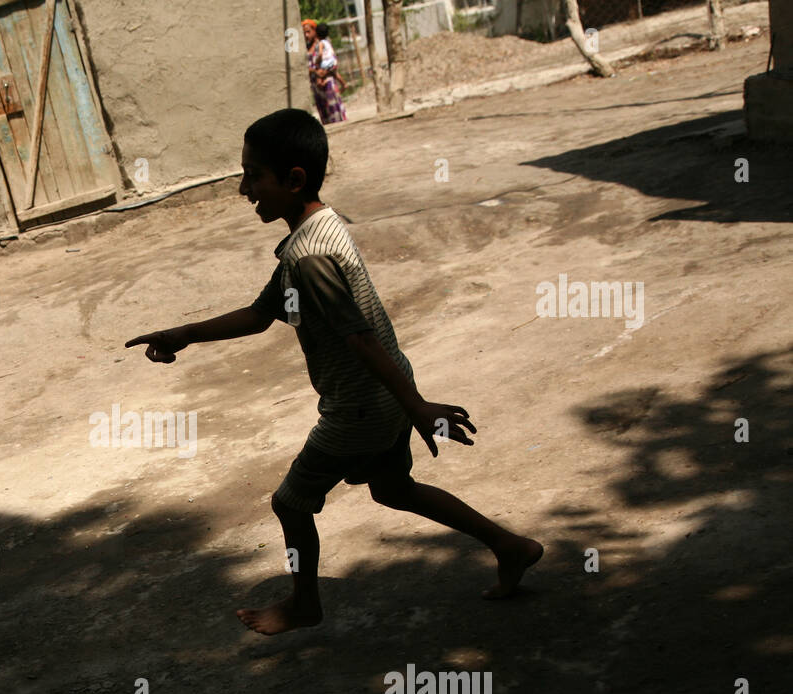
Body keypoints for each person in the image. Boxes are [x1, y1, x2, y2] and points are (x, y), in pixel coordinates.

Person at [126, 110, 543, 635]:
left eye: (254, 175)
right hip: (385, 395)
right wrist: (182, 334)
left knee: (290, 502)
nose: (242, 188)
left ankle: (304, 604)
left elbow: (358, 336)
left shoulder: (311, 256)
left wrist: (417, 407)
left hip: (359, 407)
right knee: (394, 489)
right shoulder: (317, 231)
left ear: (293, 178)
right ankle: (509, 545)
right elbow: (260, 315)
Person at [304, 19, 347, 125]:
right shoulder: (304, 48)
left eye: (308, 32)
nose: (306, 35)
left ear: (315, 31)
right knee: (324, 114)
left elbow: (331, 61)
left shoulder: (323, 45)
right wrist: (314, 71)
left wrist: (322, 73)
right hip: (316, 85)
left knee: (334, 110)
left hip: (327, 81)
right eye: (304, 33)